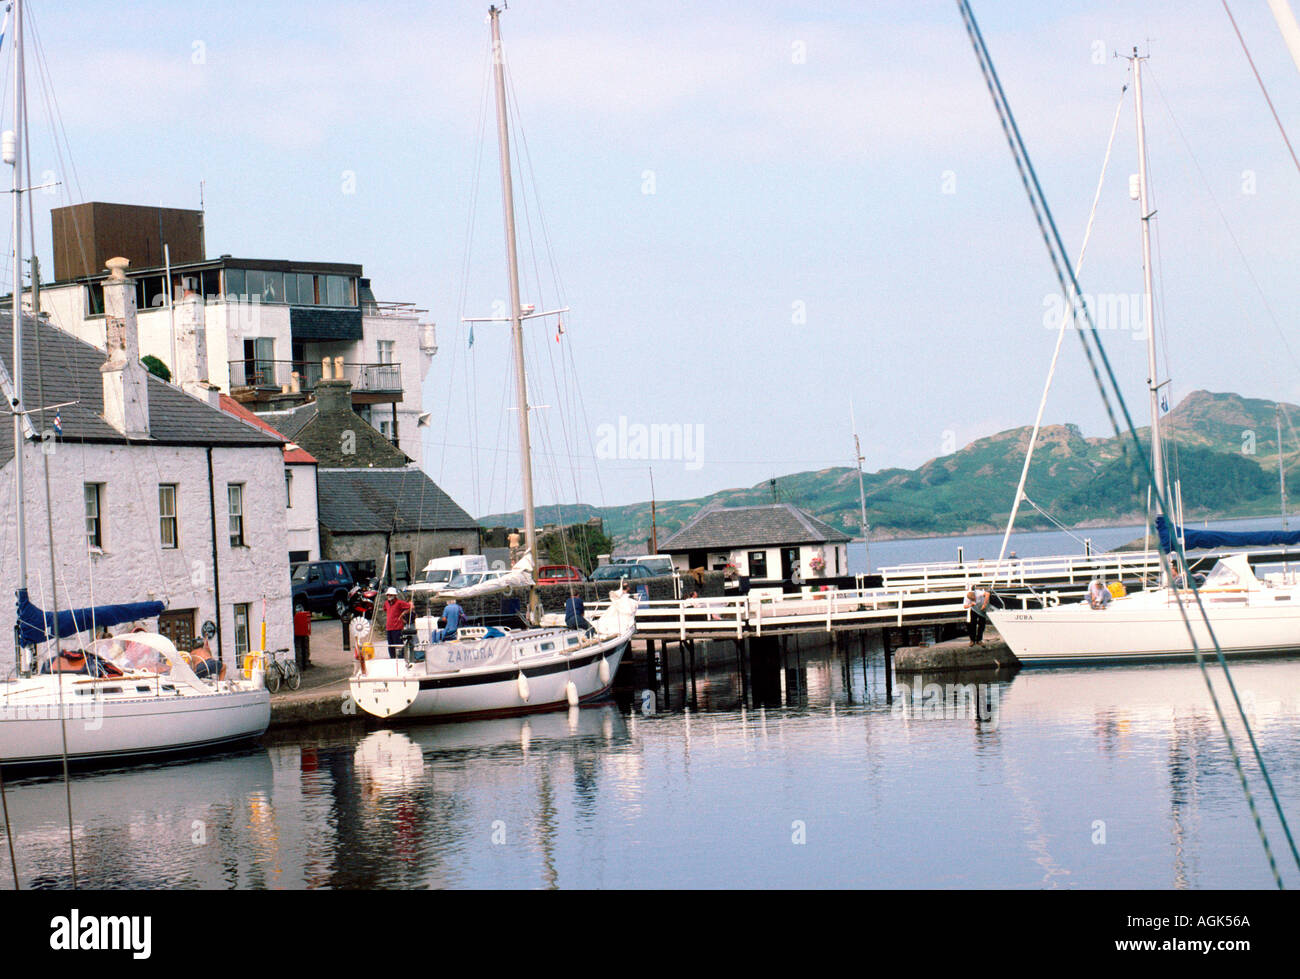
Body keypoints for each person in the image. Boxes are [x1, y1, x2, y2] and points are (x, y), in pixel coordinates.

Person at [383, 587, 413, 657]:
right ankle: (392, 658)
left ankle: (402, 658)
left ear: (394, 595)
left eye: (390, 595)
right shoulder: (386, 603)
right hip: (389, 627)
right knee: (390, 645)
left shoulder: (399, 603)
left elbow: (410, 607)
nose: (389, 596)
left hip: (397, 627)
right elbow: (385, 609)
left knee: (399, 645)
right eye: (388, 595)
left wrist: (403, 614)